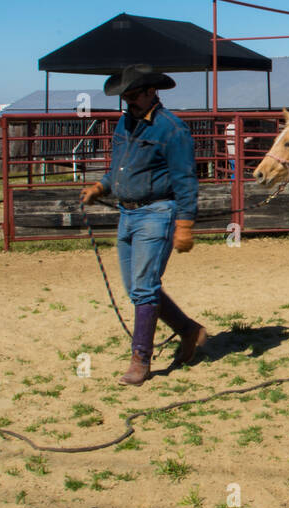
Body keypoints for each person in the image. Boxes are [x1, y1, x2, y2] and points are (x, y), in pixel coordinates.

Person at [81, 64, 207, 386]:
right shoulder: (126, 123)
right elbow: (119, 169)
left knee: (143, 287)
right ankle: (189, 330)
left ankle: (140, 360)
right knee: (137, 288)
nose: (128, 103)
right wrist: (101, 187)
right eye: (125, 98)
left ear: (152, 92)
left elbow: (185, 180)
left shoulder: (171, 130)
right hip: (128, 214)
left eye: (133, 96)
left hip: (157, 213)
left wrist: (184, 225)